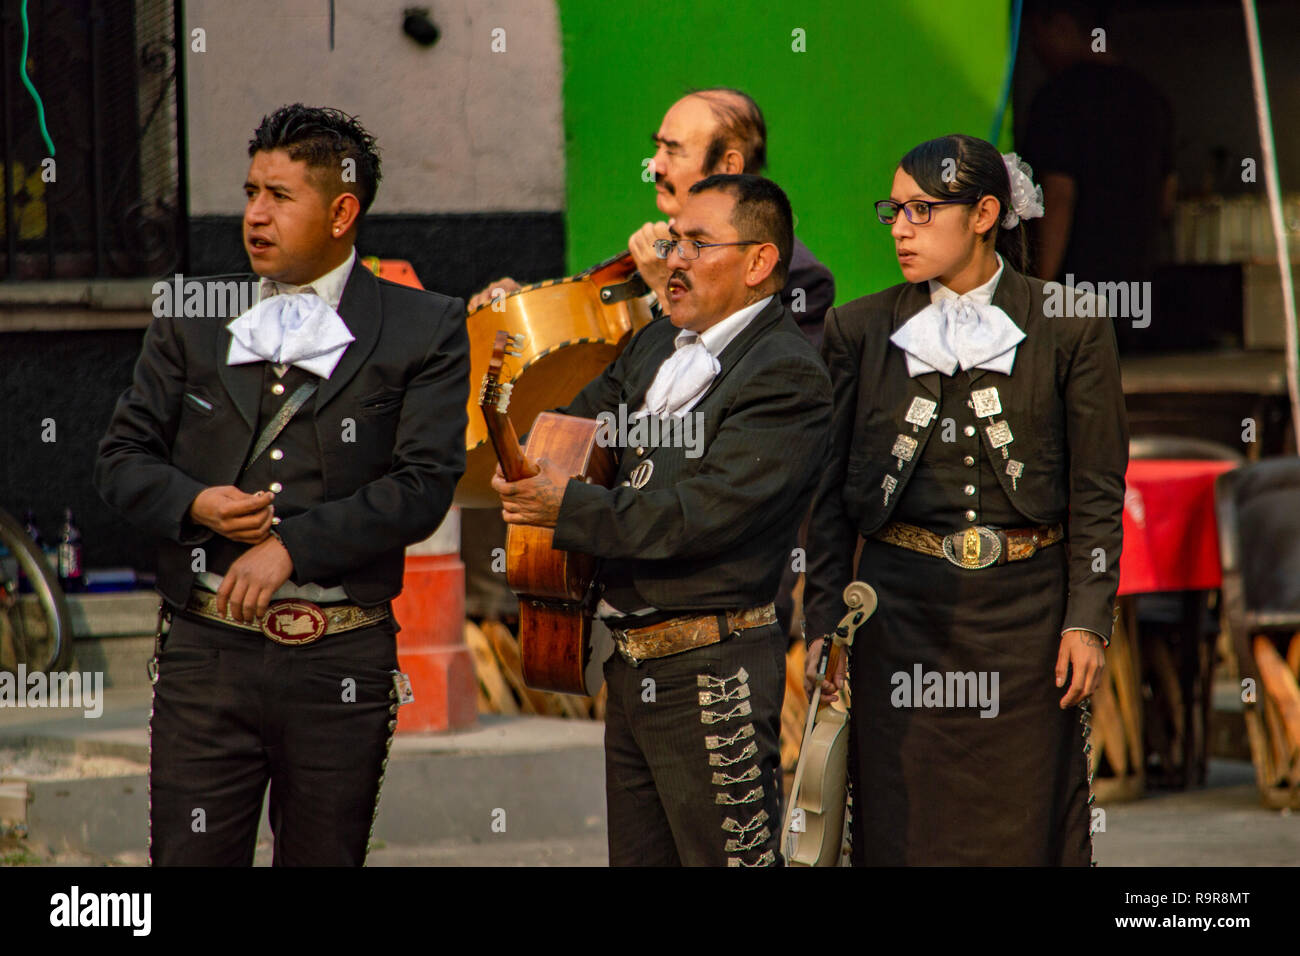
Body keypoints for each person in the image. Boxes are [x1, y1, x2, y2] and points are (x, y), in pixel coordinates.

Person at [94, 104, 469, 866]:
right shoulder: (191, 318)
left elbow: (424, 486)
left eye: (279, 196)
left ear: (341, 211)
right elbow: (121, 461)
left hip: (339, 658)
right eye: (249, 192)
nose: (255, 216)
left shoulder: (423, 326)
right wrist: (195, 502)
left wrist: (290, 548)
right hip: (205, 653)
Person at [803, 133, 1127, 865]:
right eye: (893, 211)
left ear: (984, 213)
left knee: (1023, 823)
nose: (900, 228)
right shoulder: (857, 328)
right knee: (898, 817)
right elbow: (825, 498)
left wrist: (1088, 619)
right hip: (898, 614)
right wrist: (821, 619)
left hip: (1028, 618)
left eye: (922, 210)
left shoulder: (1069, 323)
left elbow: (1098, 489)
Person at [493, 174, 831, 866]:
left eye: (698, 244)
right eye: (675, 242)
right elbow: (577, 425)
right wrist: (526, 462)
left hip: (713, 668)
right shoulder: (655, 347)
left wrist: (566, 506)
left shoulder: (786, 373)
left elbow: (696, 516)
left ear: (760, 262)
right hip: (630, 663)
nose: (674, 259)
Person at [468, 87, 835, 345]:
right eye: (656, 147)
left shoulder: (796, 277)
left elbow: (749, 394)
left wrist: (666, 286)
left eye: (672, 151)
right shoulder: (656, 251)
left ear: (729, 167)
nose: (654, 165)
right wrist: (521, 308)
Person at [1020, 0, 1175, 352]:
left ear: (1060, 24)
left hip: (1072, 298)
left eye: (1036, 35)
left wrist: (1038, 292)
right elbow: (1167, 201)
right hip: (1135, 298)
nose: (1034, 48)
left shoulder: (1059, 99)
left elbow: (1058, 197)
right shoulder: (1151, 99)